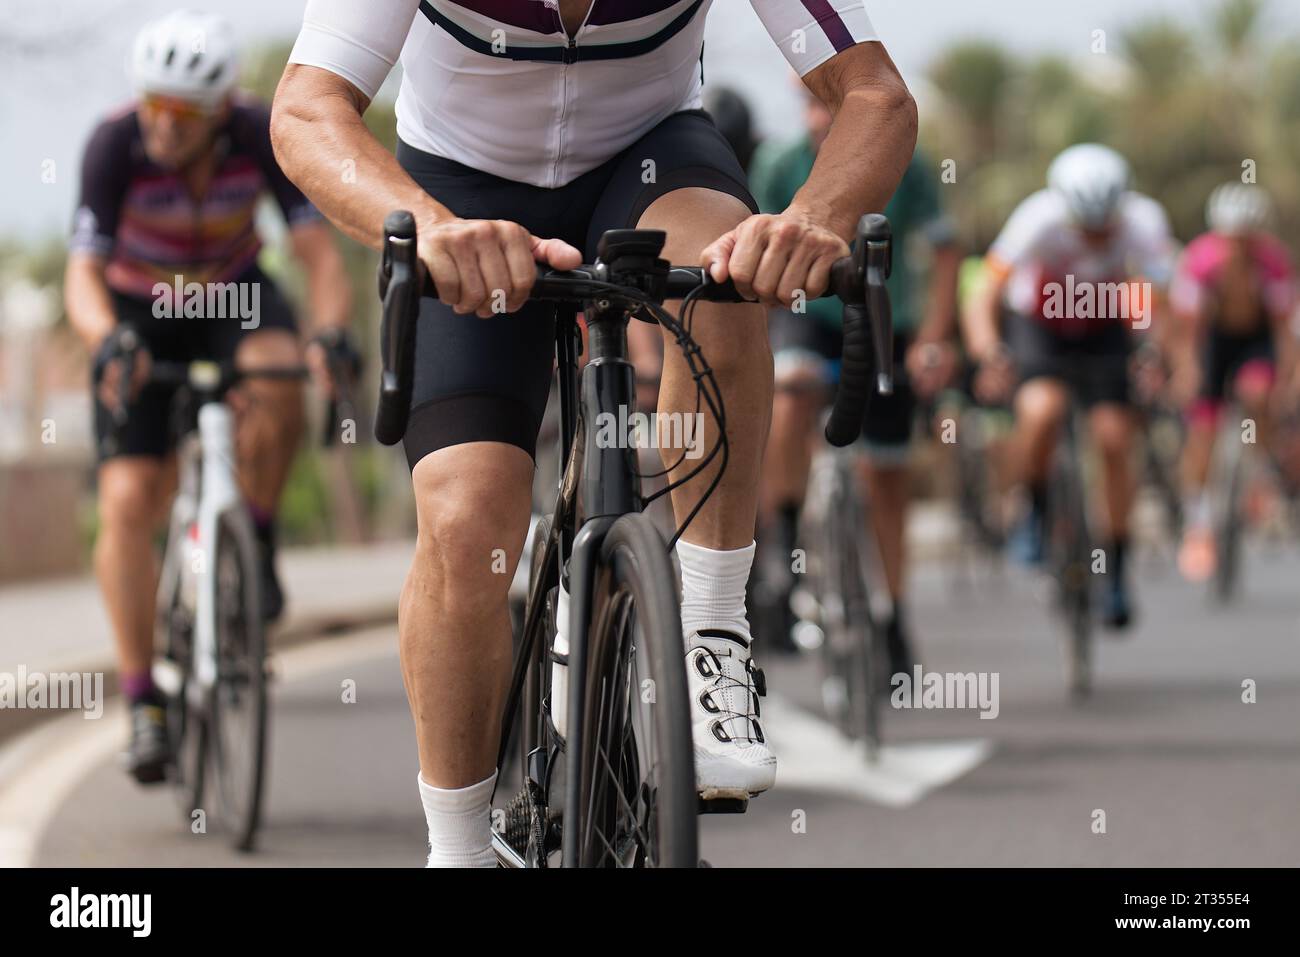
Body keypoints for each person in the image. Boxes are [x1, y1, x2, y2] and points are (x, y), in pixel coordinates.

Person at [273, 0, 916, 867]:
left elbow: (874, 94)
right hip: (464, 189)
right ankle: (457, 848)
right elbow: (307, 108)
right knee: (467, 523)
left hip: (652, 161)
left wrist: (810, 218)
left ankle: (714, 638)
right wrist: (428, 228)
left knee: (722, 279)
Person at [65, 10, 354, 785]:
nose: (162, 126)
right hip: (141, 309)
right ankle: (142, 702)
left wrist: (330, 333)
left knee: (281, 374)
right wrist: (106, 341)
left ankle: (253, 537)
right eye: (153, 105)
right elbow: (82, 273)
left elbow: (316, 252)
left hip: (231, 295)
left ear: (220, 109)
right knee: (130, 498)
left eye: (181, 114)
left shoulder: (257, 132)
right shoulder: (113, 143)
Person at [749, 81, 961, 675]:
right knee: (791, 390)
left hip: (882, 317)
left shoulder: (907, 166)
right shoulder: (779, 163)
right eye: (813, 106)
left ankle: (894, 616)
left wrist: (934, 338)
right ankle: (785, 546)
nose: (821, 119)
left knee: (886, 475)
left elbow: (946, 250)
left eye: (833, 107)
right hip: (806, 318)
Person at [962, 143, 1178, 629]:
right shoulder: (1037, 217)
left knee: (1115, 439)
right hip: (1041, 327)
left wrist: (1155, 353)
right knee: (1041, 412)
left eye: (1106, 228)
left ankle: (1117, 570)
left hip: (1104, 328)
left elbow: (1163, 299)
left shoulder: (1144, 221)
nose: (1098, 237)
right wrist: (988, 351)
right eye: (1087, 228)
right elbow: (984, 292)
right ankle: (1035, 510)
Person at [1169, 183, 1297, 581]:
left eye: (1245, 239)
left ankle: (1259, 466)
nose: (1238, 247)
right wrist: (1186, 370)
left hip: (1254, 341)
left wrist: (1290, 380)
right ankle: (1198, 520)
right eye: (1230, 239)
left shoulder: (1273, 263)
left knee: (1257, 393)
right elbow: (1186, 329)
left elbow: (1283, 330)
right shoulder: (1200, 262)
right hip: (1212, 342)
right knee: (1202, 428)